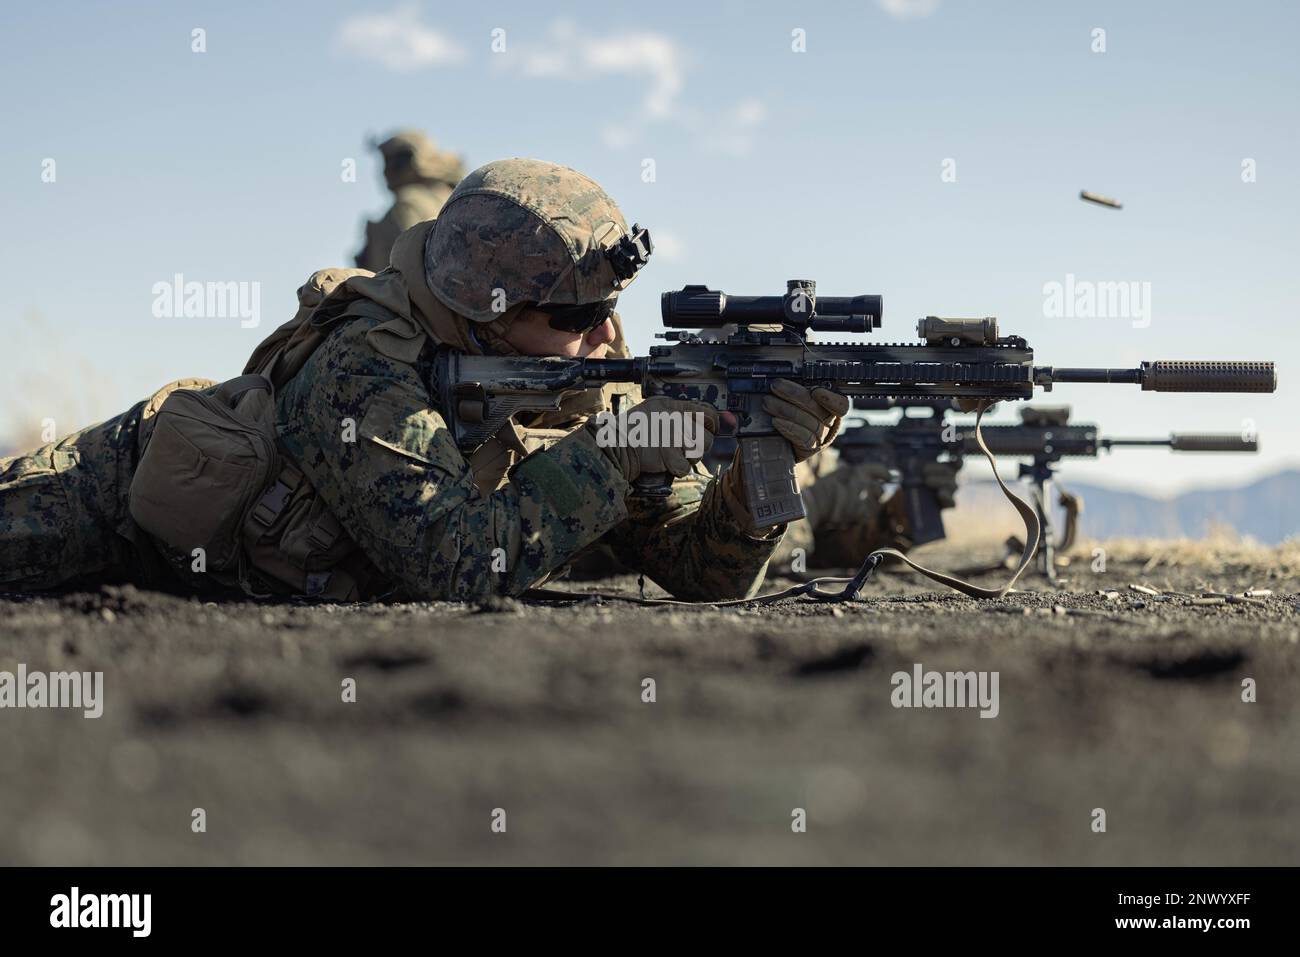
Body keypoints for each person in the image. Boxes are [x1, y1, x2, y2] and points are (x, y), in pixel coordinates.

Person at [0, 158, 849, 602]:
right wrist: (618, 450)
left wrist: (754, 473)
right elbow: (457, 565)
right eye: (574, 319)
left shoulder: (580, 383)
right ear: (487, 308)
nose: (608, 337)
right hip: (86, 512)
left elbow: (706, 573)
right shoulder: (363, 367)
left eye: (610, 309)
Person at [354, 130, 465, 273]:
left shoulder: (409, 202)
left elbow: (411, 263)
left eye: (392, 162)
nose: (385, 171)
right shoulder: (451, 198)